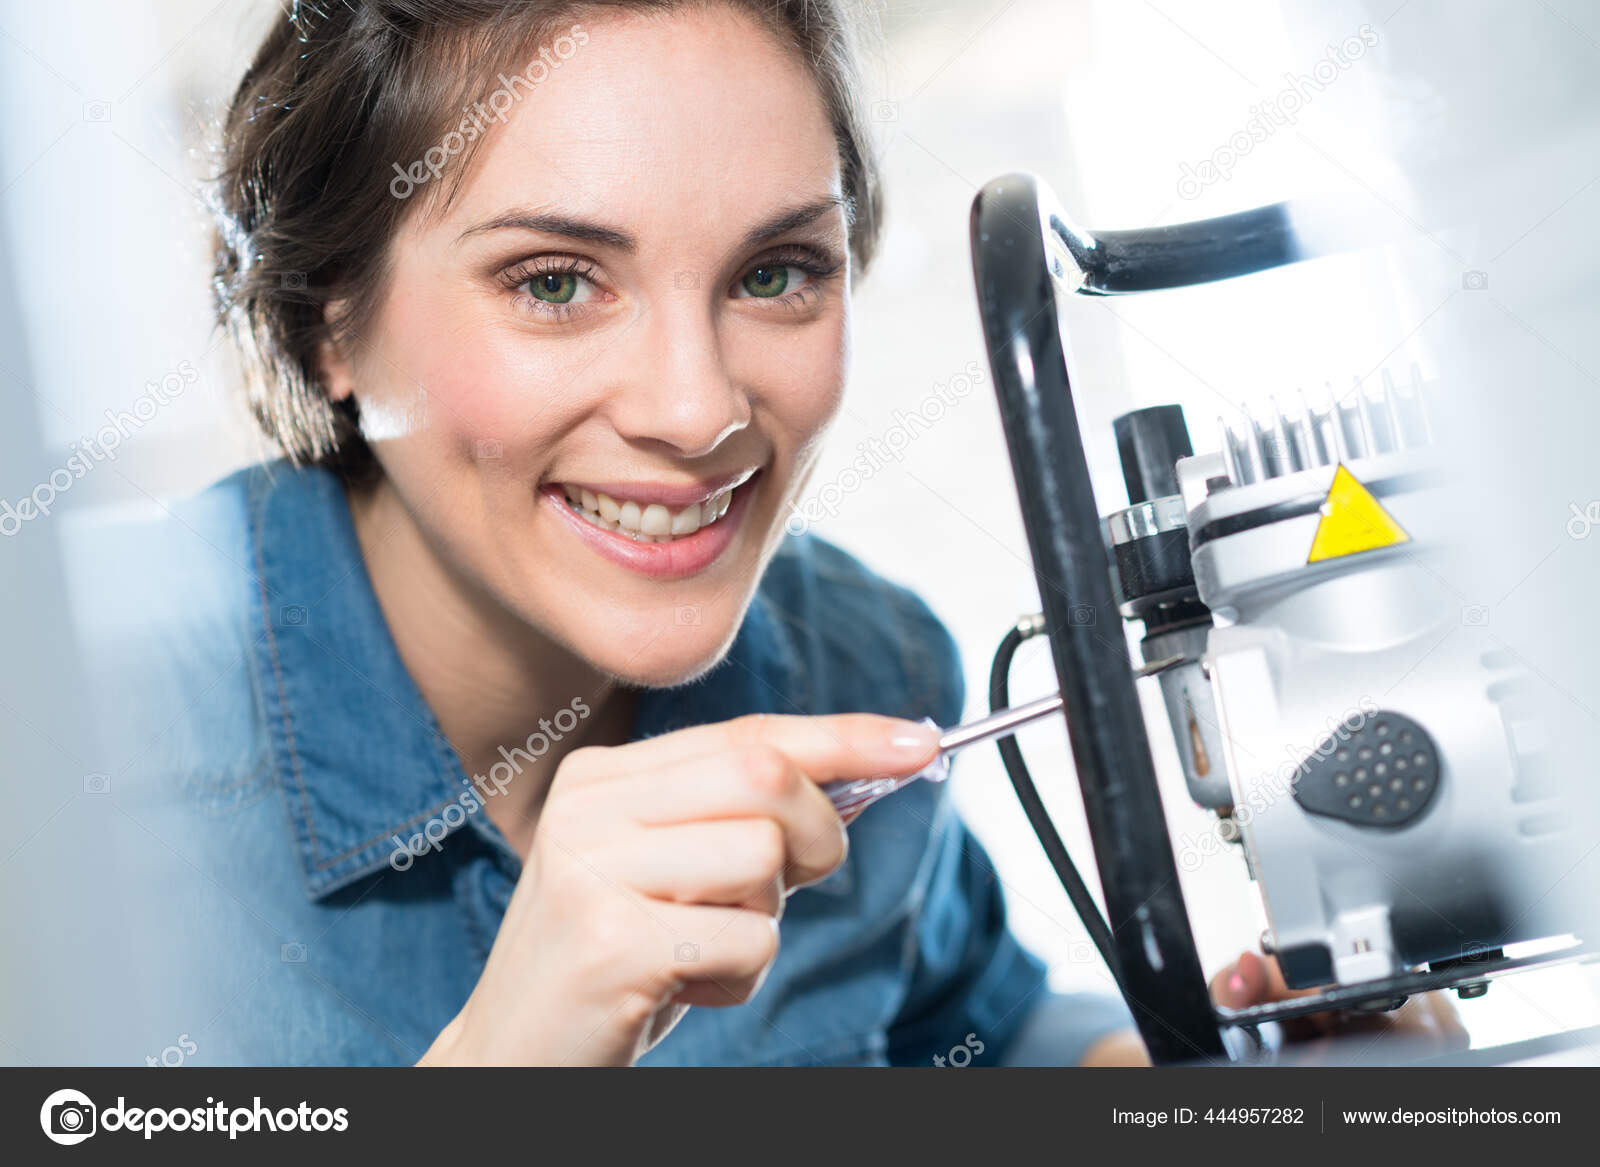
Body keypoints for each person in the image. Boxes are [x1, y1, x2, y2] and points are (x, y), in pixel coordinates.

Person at [67, 0, 1455, 1066]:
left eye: (776, 272)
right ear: (331, 326)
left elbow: (968, 1031)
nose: (698, 408)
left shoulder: (856, 653)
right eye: (555, 282)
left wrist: (1254, 1074)